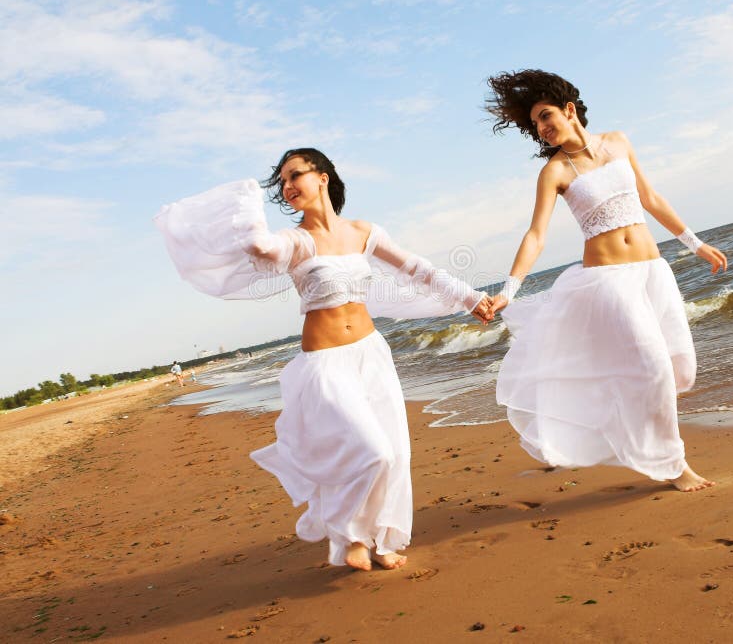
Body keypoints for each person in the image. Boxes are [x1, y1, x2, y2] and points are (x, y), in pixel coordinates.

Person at [155, 148, 491, 570]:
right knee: (373, 452)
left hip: (371, 356)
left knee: (396, 453)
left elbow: (418, 270)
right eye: (282, 181)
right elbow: (259, 247)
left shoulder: (364, 231)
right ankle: (351, 536)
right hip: (325, 364)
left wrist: (471, 298)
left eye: (295, 175)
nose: (287, 186)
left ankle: (383, 540)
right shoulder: (295, 241)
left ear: (323, 178)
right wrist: (247, 200)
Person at [484, 69, 727, 492]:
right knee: (651, 366)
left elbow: (650, 198)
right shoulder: (555, 172)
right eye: (536, 125)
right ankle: (674, 465)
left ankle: (630, 429)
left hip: (652, 270)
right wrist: (509, 290)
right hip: (607, 280)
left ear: (570, 110)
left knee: (676, 365)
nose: (542, 128)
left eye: (545, 116)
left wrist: (695, 244)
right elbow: (536, 235)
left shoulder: (617, 142)